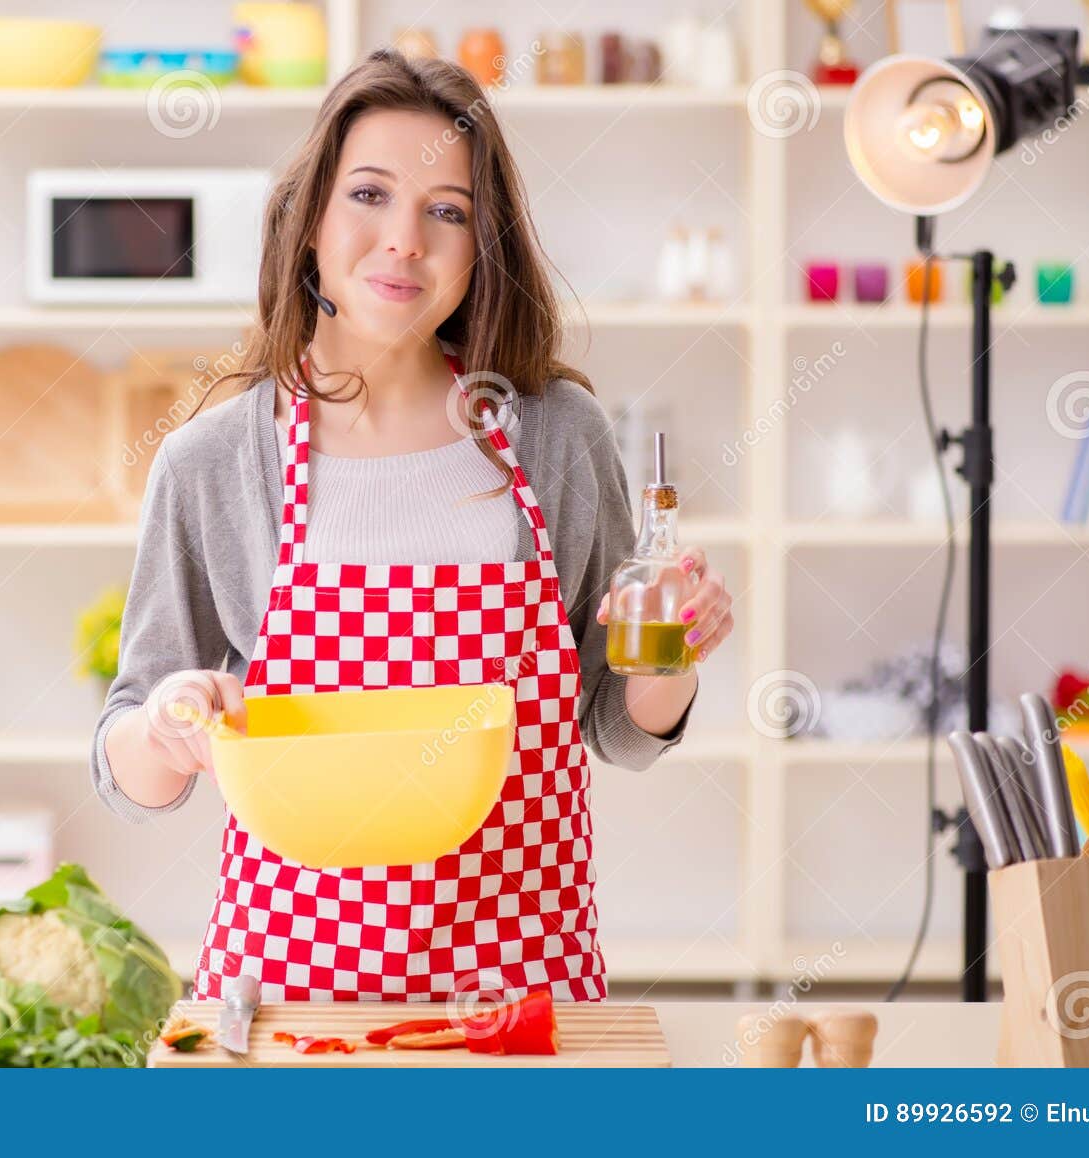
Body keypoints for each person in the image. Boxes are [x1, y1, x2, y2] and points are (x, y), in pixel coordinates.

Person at [91, 49, 734, 1003]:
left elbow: (617, 725)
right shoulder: (213, 464)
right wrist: (166, 724)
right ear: (309, 223)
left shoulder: (554, 434)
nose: (404, 240)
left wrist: (668, 662)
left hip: (519, 986)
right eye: (369, 195)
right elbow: (134, 777)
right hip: (293, 990)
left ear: (482, 249)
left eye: (447, 211)